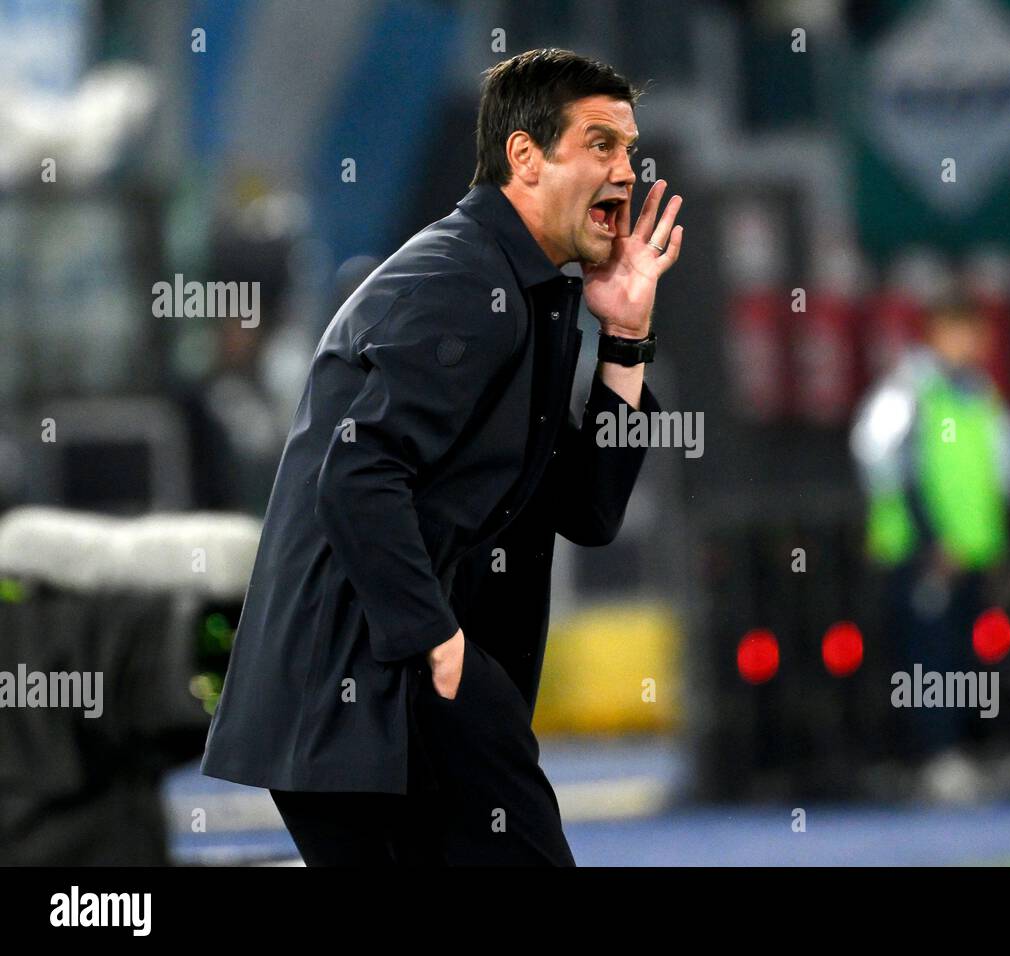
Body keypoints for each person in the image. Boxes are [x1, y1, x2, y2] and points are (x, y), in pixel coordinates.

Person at [199, 49, 683, 866]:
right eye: (600, 144)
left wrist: (626, 341)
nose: (625, 172)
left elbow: (589, 511)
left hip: (406, 689)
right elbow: (355, 477)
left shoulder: (527, 291)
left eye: (629, 150)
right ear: (526, 158)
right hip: (369, 697)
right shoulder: (460, 280)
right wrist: (443, 647)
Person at [850, 297, 1010, 761]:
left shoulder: (981, 395)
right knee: (929, 661)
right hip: (923, 557)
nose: (970, 342)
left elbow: (1008, 476)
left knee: (973, 660)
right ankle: (935, 758)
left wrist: (997, 549)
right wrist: (933, 544)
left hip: (974, 557)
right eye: (958, 330)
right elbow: (883, 464)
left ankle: (970, 752)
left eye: (975, 331)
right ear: (933, 333)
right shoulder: (908, 391)